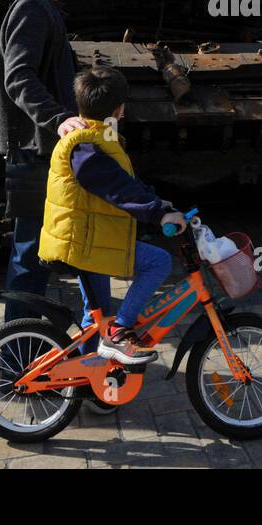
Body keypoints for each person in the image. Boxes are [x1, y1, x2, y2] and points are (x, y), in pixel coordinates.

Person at [42, 66, 187, 364]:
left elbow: (125, 182)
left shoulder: (93, 138)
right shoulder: (85, 146)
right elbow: (115, 187)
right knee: (158, 262)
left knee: (97, 315)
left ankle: (88, 381)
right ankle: (120, 333)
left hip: (89, 240)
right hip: (84, 244)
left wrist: (158, 201)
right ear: (119, 110)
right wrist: (158, 214)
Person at [0, 0, 88, 323]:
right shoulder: (33, 7)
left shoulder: (44, 8)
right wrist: (60, 118)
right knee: (30, 251)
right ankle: (19, 350)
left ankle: (34, 339)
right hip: (36, 149)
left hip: (46, 147)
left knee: (42, 247)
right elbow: (18, 77)